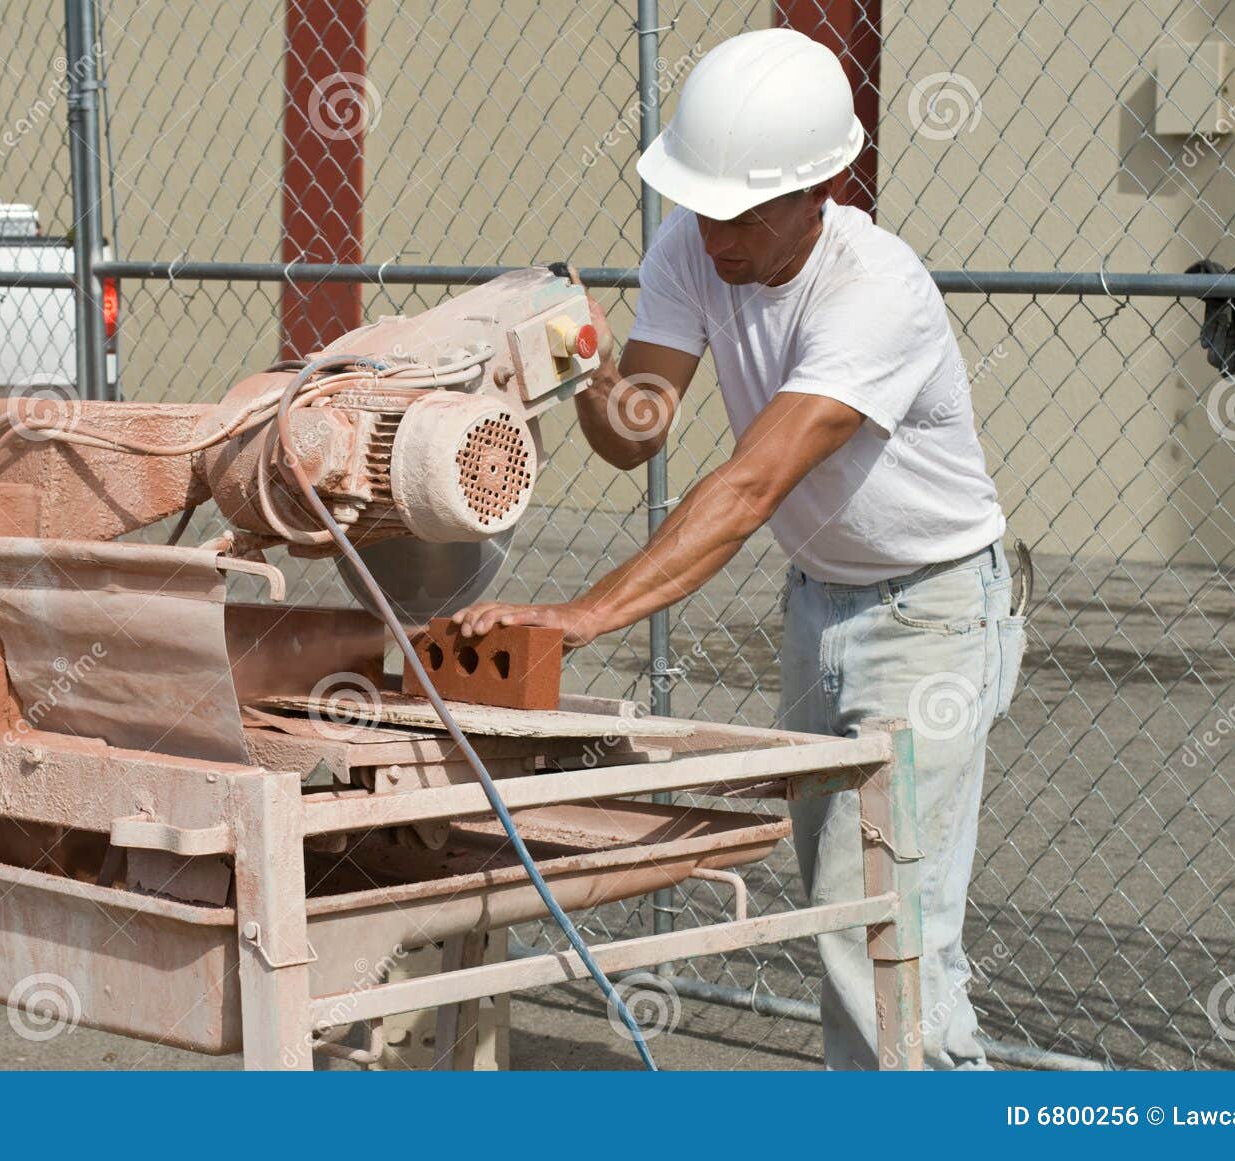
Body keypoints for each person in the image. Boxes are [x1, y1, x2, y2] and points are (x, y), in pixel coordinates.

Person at [452, 26, 1025, 1070]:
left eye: (741, 212)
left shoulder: (874, 291)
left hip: (932, 616)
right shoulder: (692, 243)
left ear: (821, 188)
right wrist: (582, 360)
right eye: (701, 204)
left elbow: (753, 482)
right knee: (856, 916)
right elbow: (637, 434)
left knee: (880, 926)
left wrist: (580, 617)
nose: (713, 235)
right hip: (823, 604)